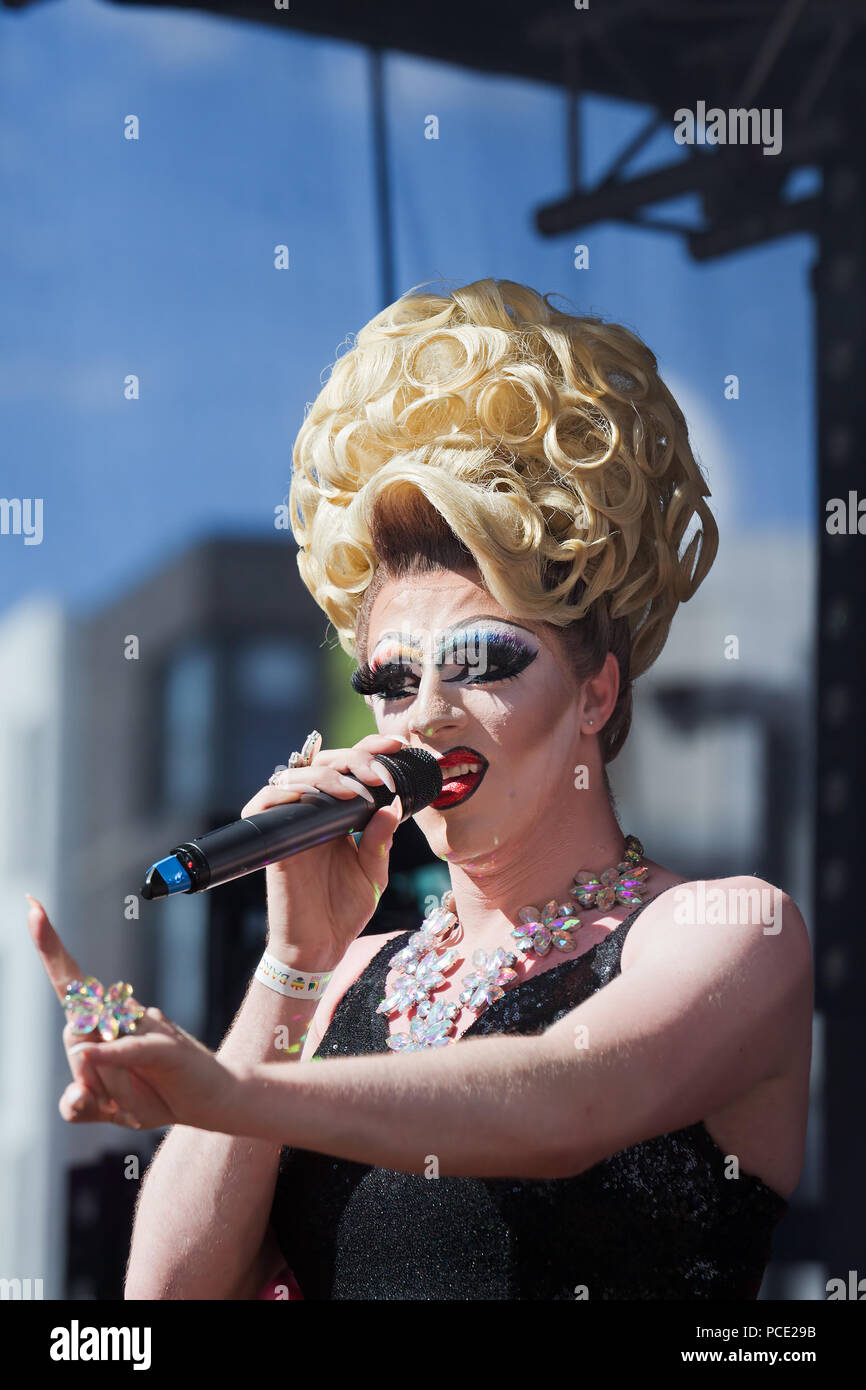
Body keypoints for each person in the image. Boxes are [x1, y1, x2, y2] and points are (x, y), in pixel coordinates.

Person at [27, 278, 812, 1301]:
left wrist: (232, 1091)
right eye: (392, 678)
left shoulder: (723, 928)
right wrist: (294, 964)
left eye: (481, 659)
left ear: (594, 691)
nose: (425, 711)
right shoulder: (342, 982)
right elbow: (163, 1300)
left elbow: (568, 1099)